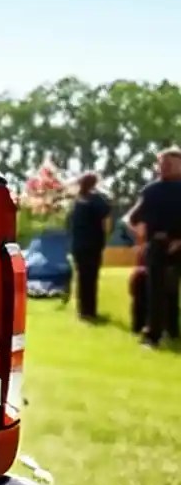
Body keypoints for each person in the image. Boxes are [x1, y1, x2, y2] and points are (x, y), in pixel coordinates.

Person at [125, 147, 181, 348]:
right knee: (156, 290)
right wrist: (142, 238)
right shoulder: (151, 191)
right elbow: (132, 219)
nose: (165, 167)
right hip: (157, 245)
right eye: (162, 163)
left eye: (171, 163)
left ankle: (173, 330)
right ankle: (154, 335)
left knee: (173, 289)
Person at [66, 172, 112, 320]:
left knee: (81, 276)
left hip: (78, 243)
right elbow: (106, 221)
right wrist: (105, 237)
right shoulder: (98, 199)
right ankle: (90, 311)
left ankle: (82, 310)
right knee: (91, 277)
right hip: (93, 243)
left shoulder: (77, 202)